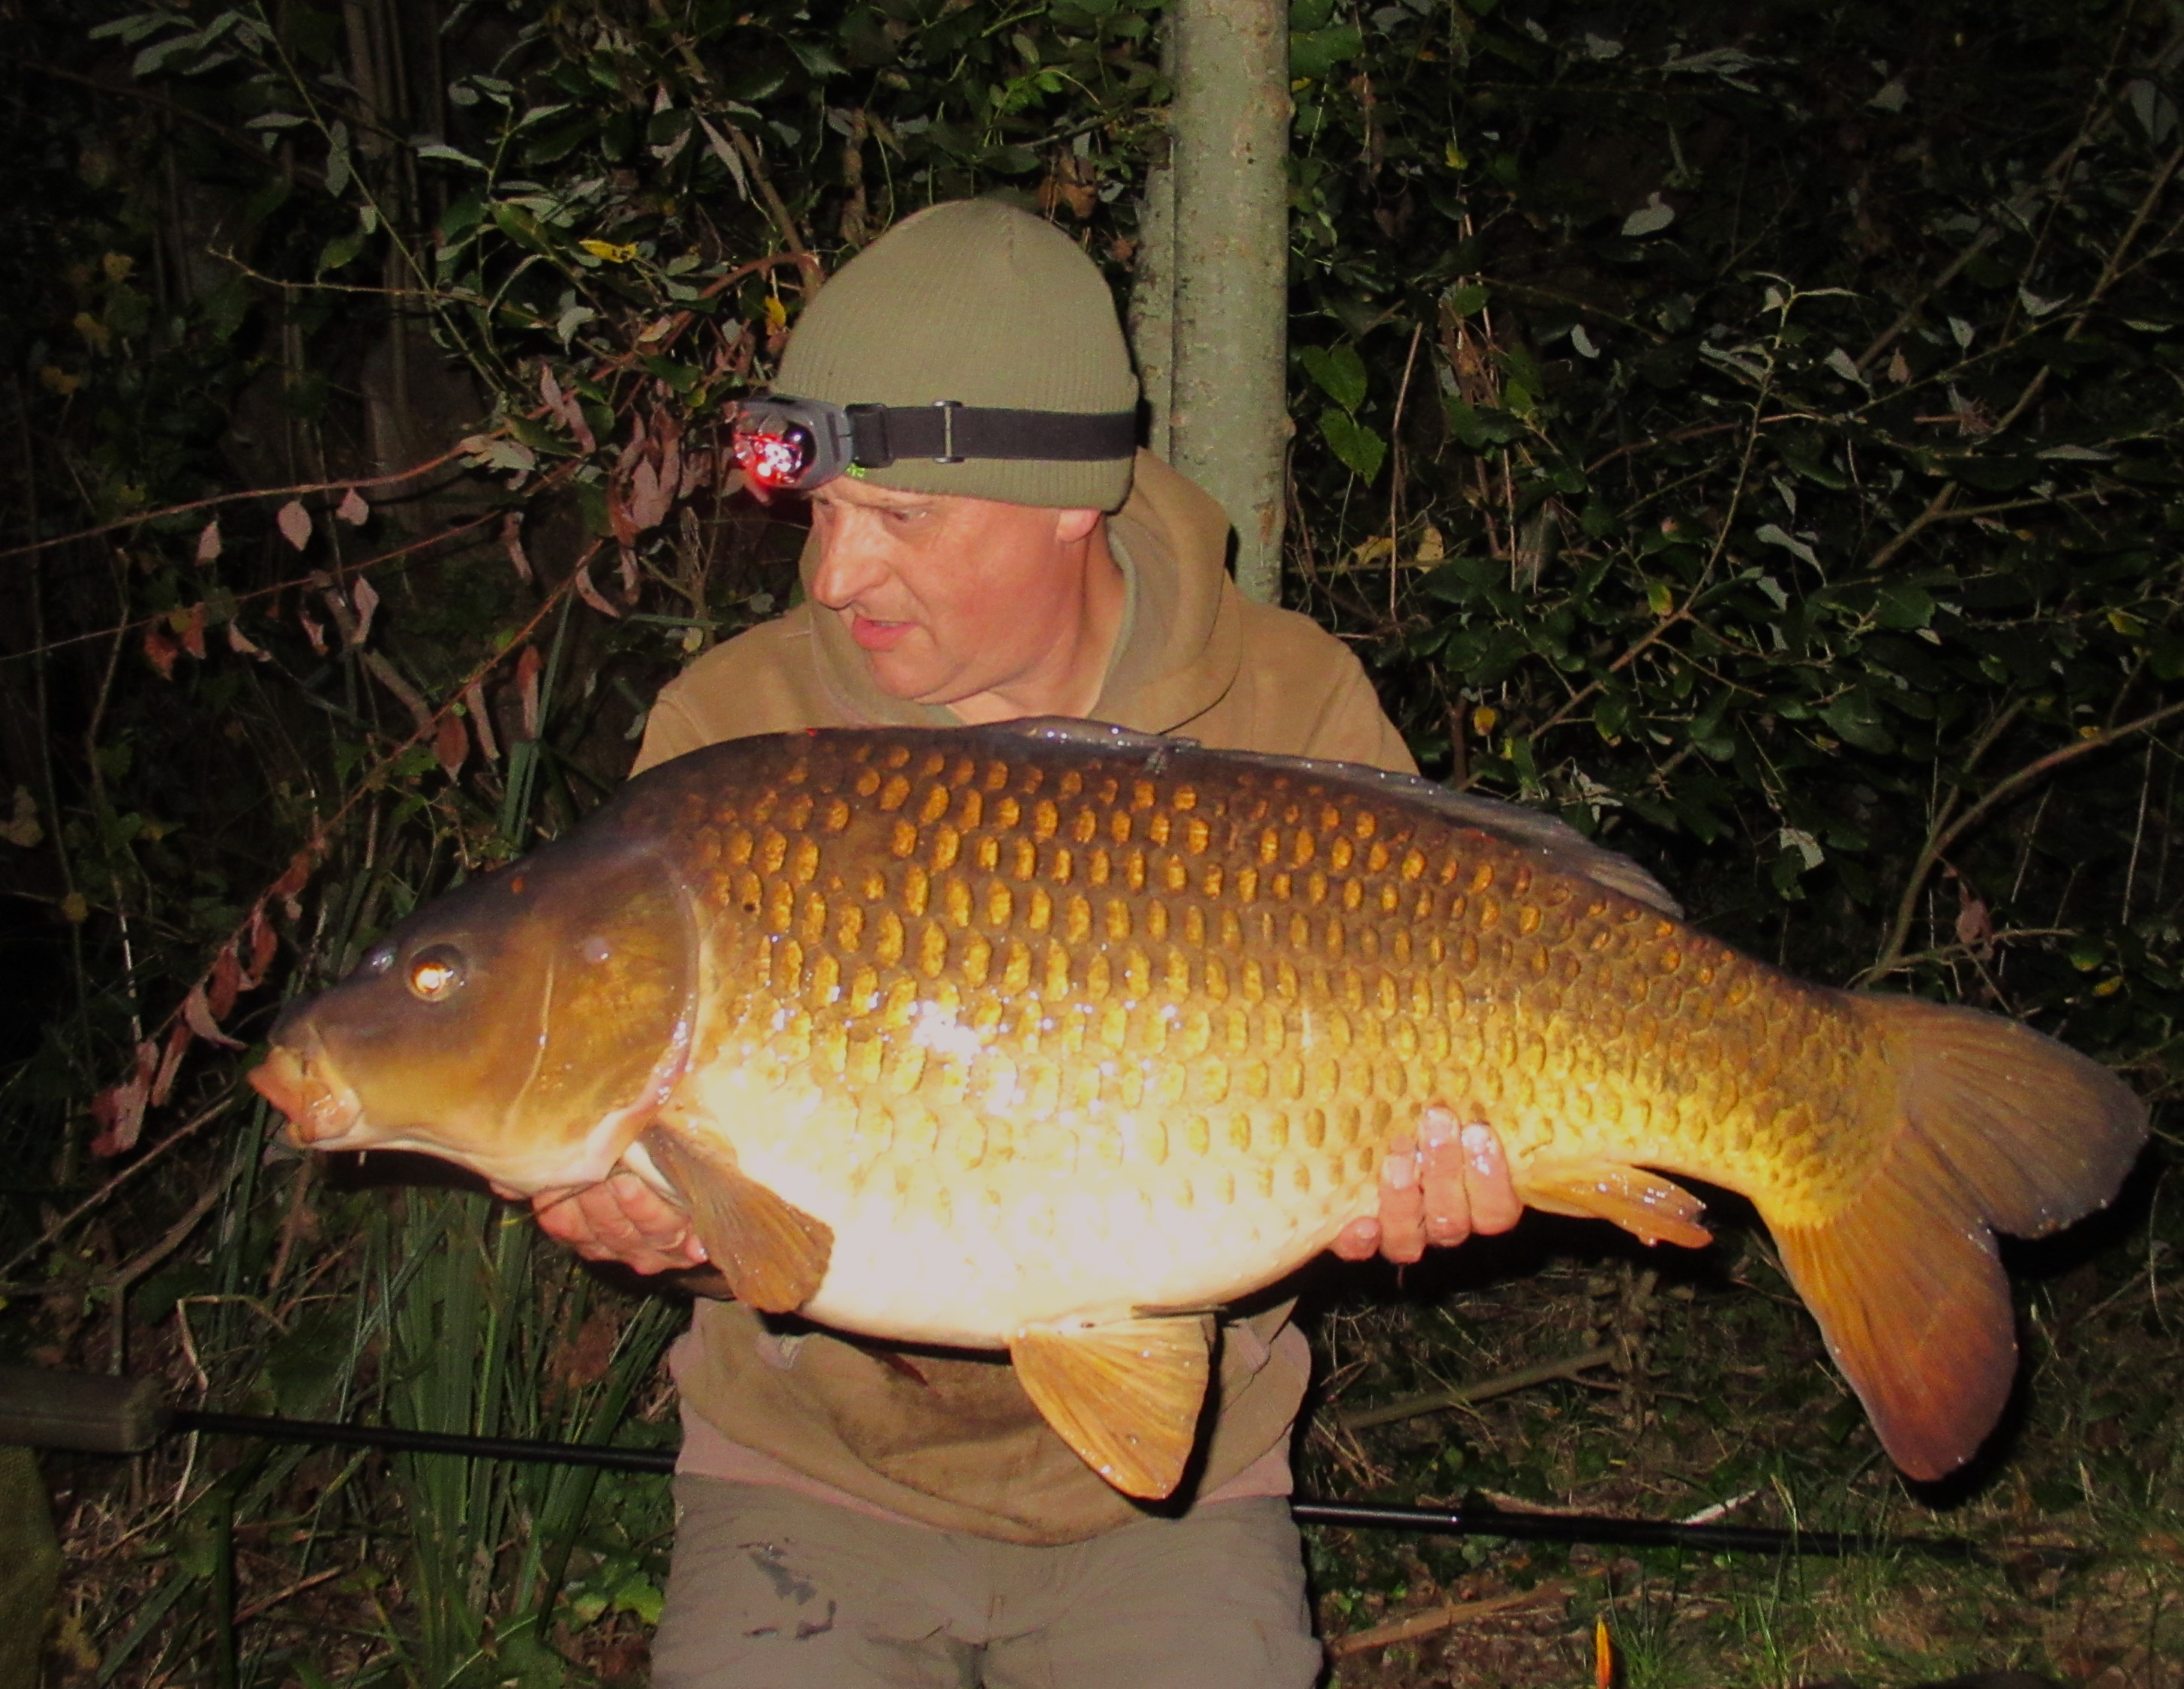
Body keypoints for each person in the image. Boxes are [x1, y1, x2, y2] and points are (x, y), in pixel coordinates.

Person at [524, 200, 1522, 1688]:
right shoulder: (730, 742)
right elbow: (711, 1190)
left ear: (1073, 502)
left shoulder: (1288, 711)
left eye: (901, 521)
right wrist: (658, 1227)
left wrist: (1423, 1187)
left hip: (1173, 1486)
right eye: (823, 512)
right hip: (814, 1464)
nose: (832, 576)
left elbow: (1430, 1109)